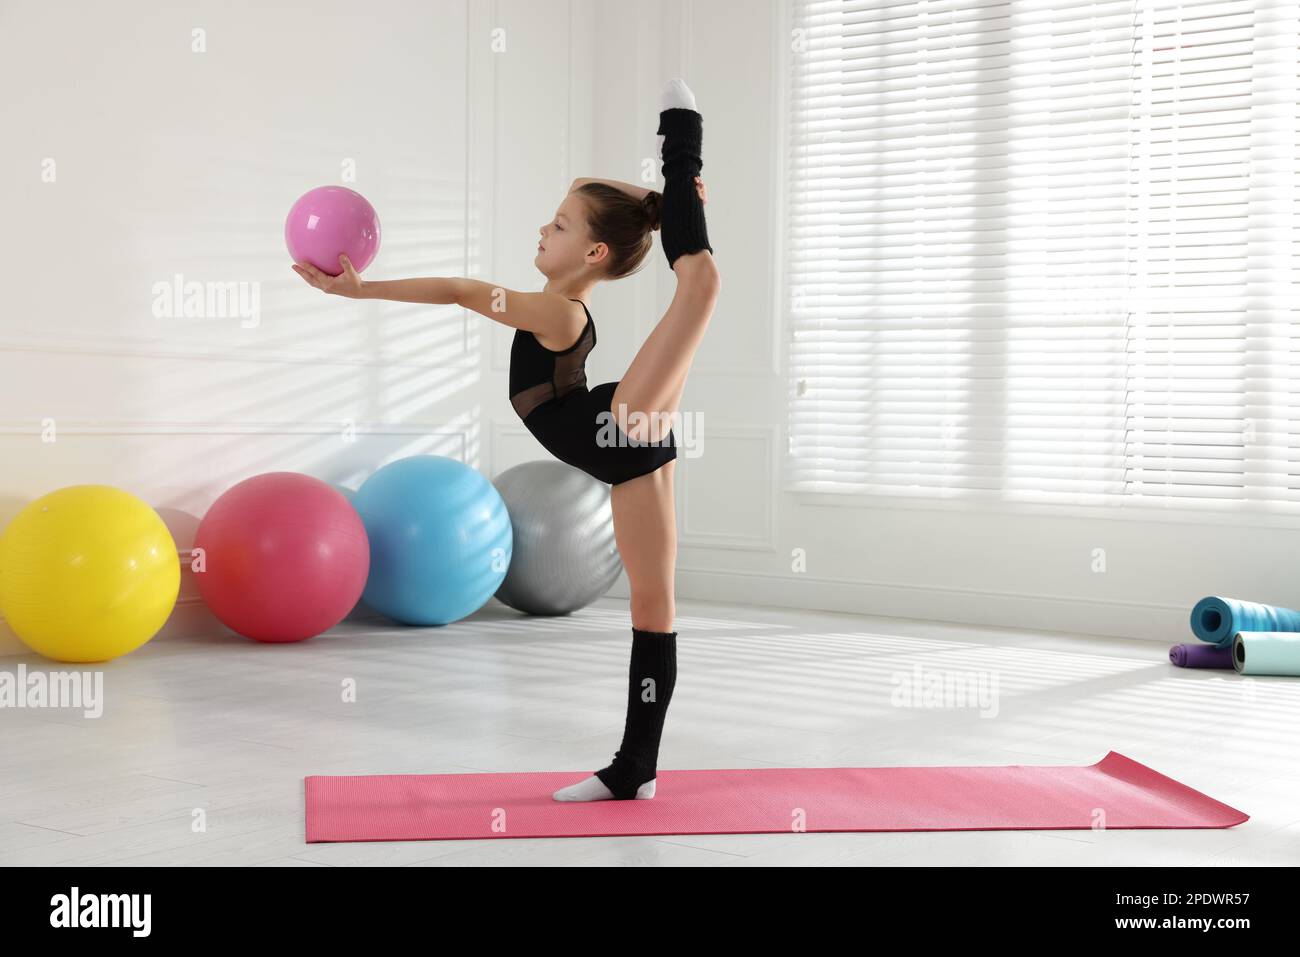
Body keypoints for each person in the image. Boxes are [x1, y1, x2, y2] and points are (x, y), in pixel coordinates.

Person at [293, 79, 719, 801]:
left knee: (701, 281)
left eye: (557, 224)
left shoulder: (555, 311)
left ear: (591, 250)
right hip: (623, 442)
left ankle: (682, 140)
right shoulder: (557, 308)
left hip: (617, 428)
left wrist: (362, 292)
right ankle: (637, 769)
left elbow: (465, 290)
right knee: (654, 607)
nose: (541, 231)